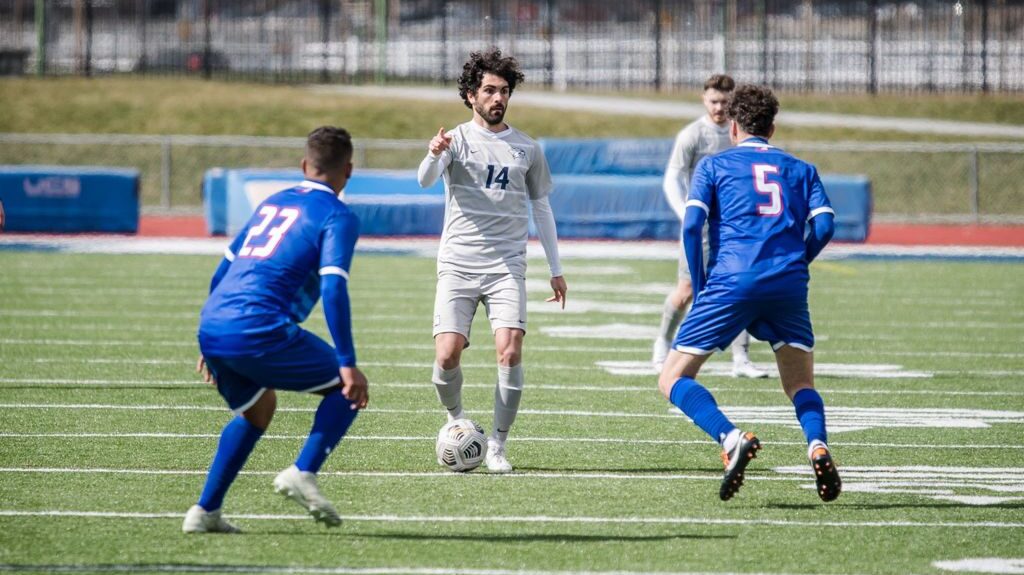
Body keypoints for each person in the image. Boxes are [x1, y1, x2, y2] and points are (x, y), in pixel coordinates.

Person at [656, 85, 841, 503]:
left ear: (734, 126)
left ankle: (730, 437)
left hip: (731, 281)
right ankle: (817, 446)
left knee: (672, 377)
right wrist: (798, 261)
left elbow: (690, 227)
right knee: (799, 383)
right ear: (772, 128)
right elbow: (826, 227)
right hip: (788, 285)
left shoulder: (714, 166)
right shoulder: (801, 168)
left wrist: (702, 285)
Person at [183, 126, 369, 533]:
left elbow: (222, 272)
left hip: (213, 323)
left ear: (304, 165)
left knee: (258, 412)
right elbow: (335, 286)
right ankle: (303, 472)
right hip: (257, 325)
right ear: (348, 171)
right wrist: (348, 362)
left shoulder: (274, 202)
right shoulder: (338, 215)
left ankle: (205, 512)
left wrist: (211, 338)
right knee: (347, 389)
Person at [417, 48, 567, 474]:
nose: (497, 97)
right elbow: (425, 179)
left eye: (503, 90)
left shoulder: (527, 149)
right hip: (458, 264)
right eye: (488, 90)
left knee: (510, 350)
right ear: (470, 95)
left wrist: (555, 269)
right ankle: (457, 422)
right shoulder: (456, 141)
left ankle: (498, 445)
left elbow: (542, 209)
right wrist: (433, 152)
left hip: (506, 267)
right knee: (446, 356)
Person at [654, 74, 767, 379]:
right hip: (702, 227)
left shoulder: (741, 135)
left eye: (725, 102)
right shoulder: (692, 135)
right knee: (687, 290)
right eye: (713, 101)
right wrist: (687, 214)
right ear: (704, 100)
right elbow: (672, 178)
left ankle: (741, 358)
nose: (719, 107)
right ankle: (663, 342)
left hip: (734, 226)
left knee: (739, 286)